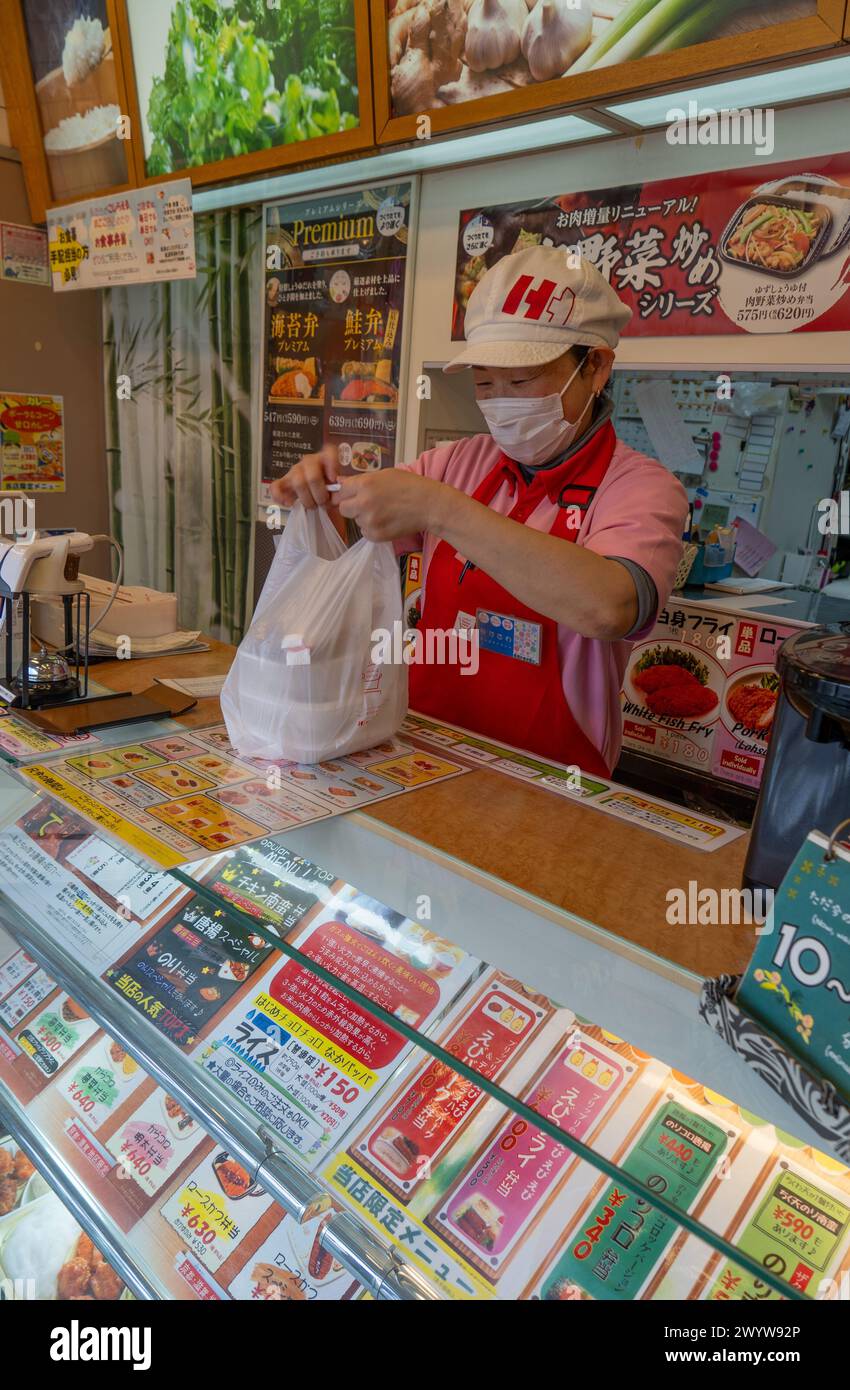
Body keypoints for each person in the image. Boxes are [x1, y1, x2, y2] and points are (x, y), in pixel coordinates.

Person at [271, 247, 688, 776]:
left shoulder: (641, 487)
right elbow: (358, 533)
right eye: (486, 383)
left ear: (596, 367)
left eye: (520, 381)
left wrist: (443, 510)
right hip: (416, 756)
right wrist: (325, 495)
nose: (500, 401)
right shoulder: (459, 462)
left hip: (553, 786)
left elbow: (608, 607)